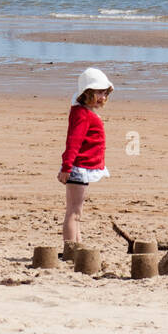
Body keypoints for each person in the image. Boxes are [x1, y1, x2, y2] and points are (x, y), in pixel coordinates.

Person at [57, 67, 114, 257]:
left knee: (76, 212)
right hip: (77, 168)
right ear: (86, 93)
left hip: (80, 167)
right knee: (74, 212)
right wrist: (66, 167)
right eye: (98, 92)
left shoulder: (85, 112)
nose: (102, 97)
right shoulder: (82, 114)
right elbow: (73, 141)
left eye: (105, 93)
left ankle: (77, 247)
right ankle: (71, 250)